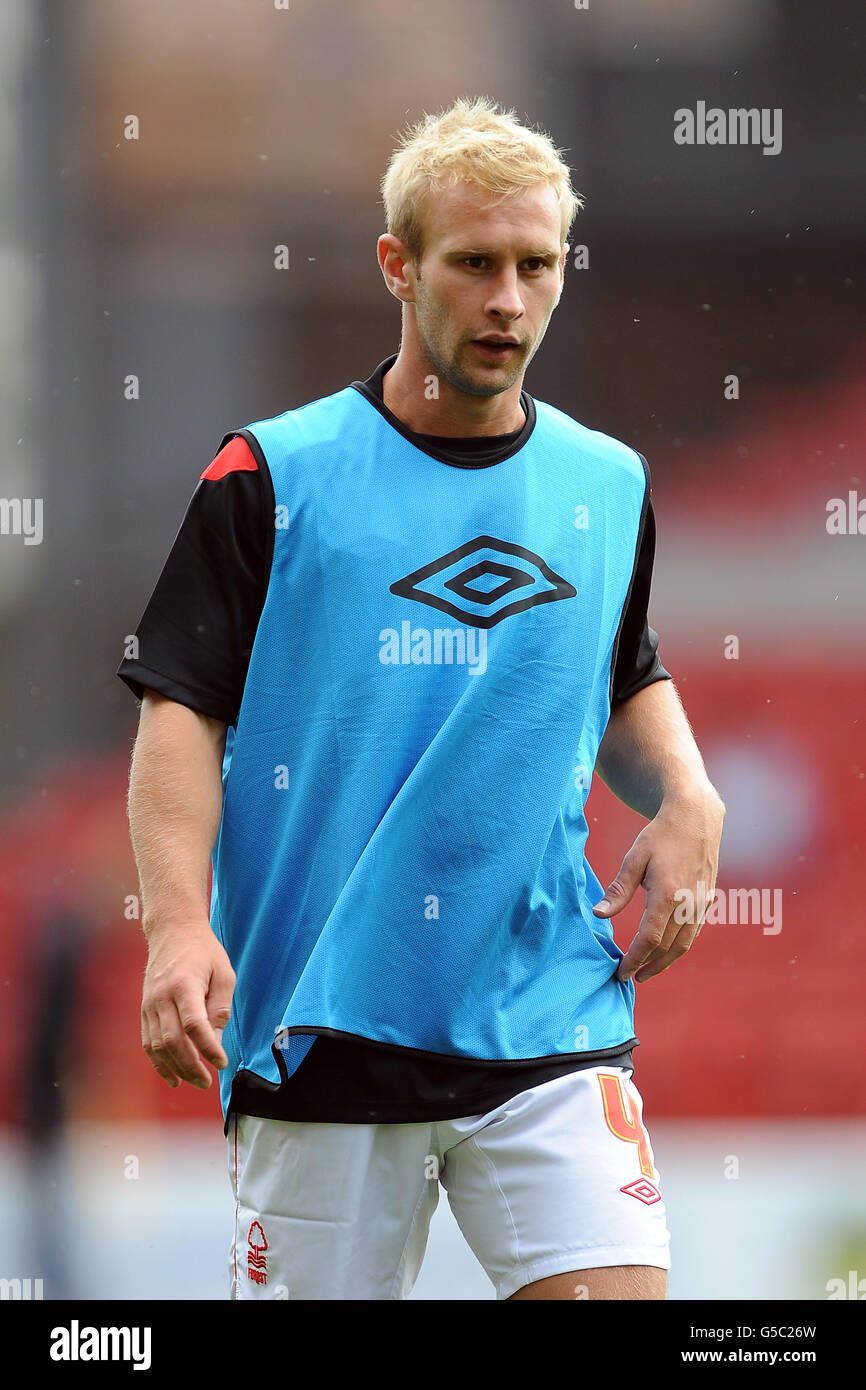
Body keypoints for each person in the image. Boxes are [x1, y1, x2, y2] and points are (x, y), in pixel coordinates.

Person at [119, 95, 725, 1302]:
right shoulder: (269, 475)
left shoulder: (605, 483)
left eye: (534, 265)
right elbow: (179, 704)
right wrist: (177, 924)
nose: (507, 299)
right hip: (324, 1020)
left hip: (542, 1010)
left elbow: (616, 668)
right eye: (474, 264)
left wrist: (687, 791)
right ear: (399, 266)